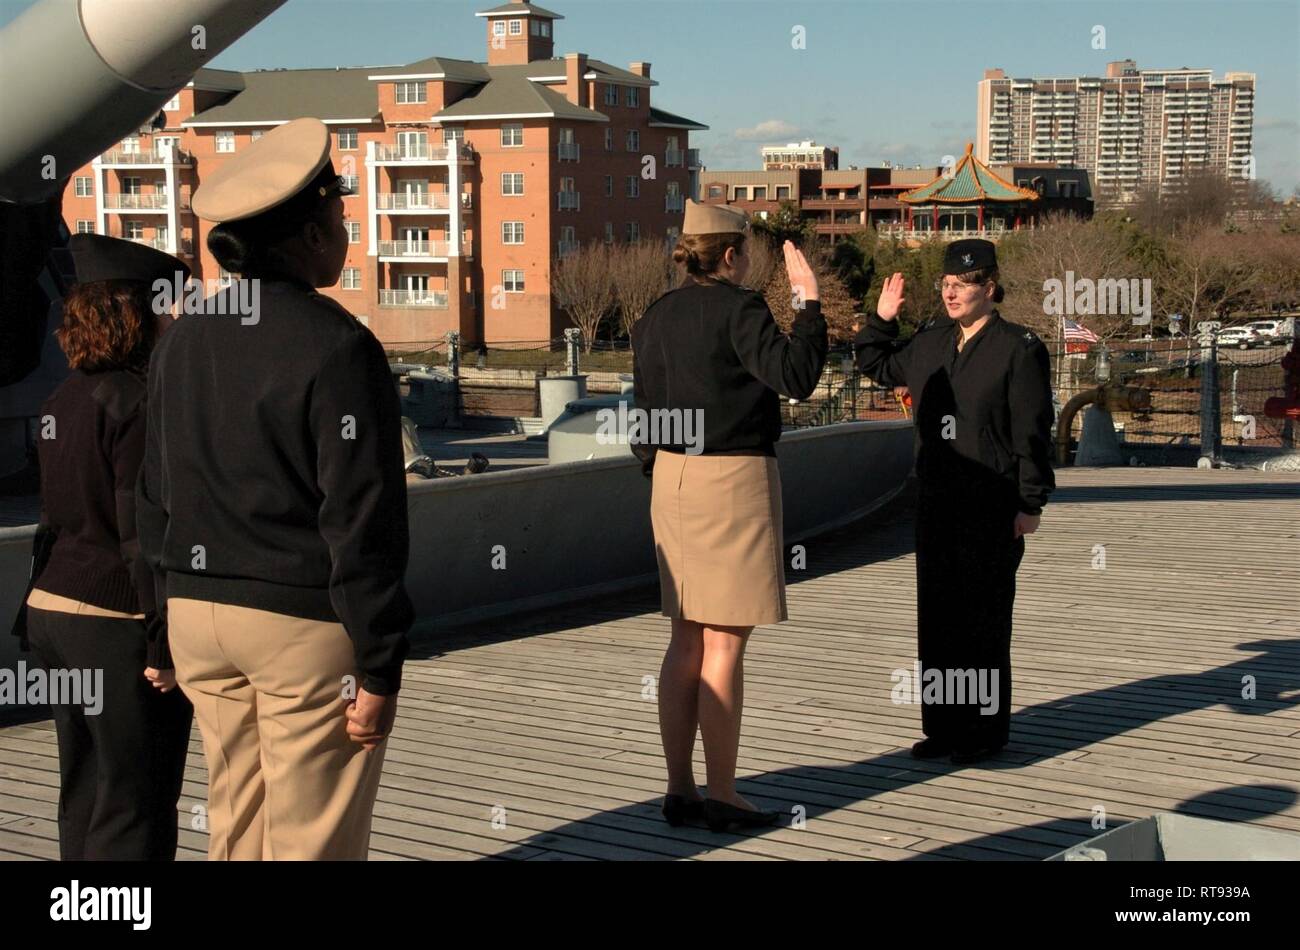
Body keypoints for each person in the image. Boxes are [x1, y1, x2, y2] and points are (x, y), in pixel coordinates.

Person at [137, 117, 413, 860]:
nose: (346, 232)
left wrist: (162, 620)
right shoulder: (338, 344)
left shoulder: (185, 337)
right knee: (311, 839)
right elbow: (363, 515)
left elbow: (154, 494)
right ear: (309, 236)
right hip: (299, 620)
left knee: (238, 826)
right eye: (339, 217)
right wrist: (381, 658)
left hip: (198, 614)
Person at [631, 200, 827, 831]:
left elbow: (644, 419)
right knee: (725, 640)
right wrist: (809, 304)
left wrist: (664, 470)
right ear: (734, 255)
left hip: (670, 475)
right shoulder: (741, 308)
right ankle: (723, 793)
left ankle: (680, 788)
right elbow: (796, 376)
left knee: (684, 635)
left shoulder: (655, 316)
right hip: (733, 475)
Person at [11, 234, 193, 860]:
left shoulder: (63, 397)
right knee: (136, 799)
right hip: (115, 622)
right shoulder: (138, 403)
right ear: (141, 314)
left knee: (84, 789)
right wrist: (163, 643)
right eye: (172, 305)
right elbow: (141, 535)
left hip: (53, 610)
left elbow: (58, 516)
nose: (180, 317)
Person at [855, 239, 1054, 764]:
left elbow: (1032, 432)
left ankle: (981, 733)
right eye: (945, 284)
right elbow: (875, 364)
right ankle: (943, 726)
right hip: (936, 501)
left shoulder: (1020, 347)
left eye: (962, 284)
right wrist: (882, 318)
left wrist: (1030, 502)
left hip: (991, 504)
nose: (951, 292)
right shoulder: (931, 341)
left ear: (989, 288)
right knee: (939, 620)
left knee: (982, 623)